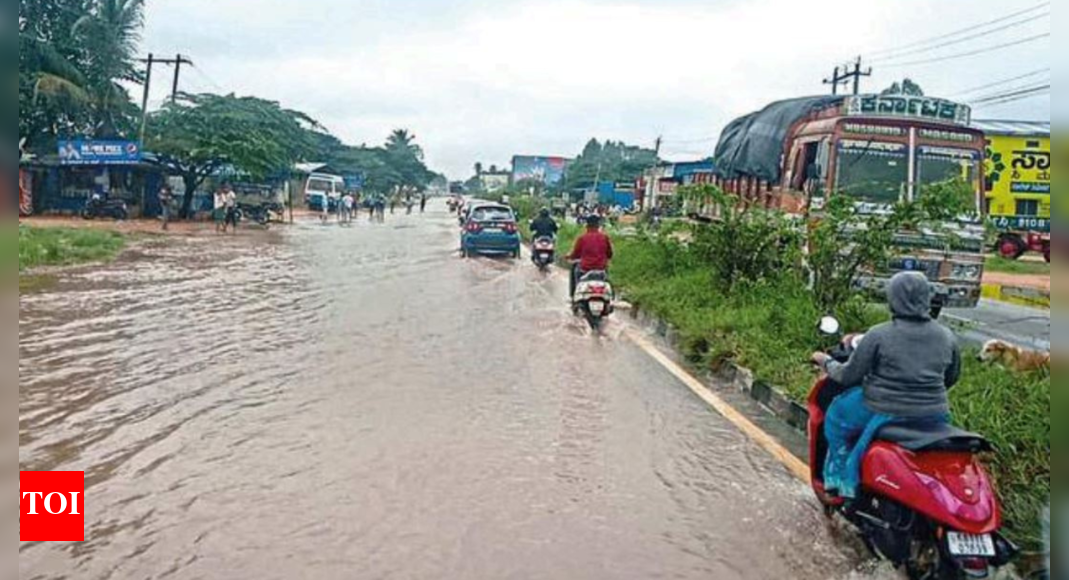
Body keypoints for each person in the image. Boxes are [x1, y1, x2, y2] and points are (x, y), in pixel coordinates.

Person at [810, 272, 961, 500]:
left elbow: (848, 376)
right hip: (936, 414)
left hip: (882, 409)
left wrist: (824, 360)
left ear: (893, 298)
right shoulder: (946, 336)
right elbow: (951, 377)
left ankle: (839, 482)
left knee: (836, 417)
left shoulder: (879, 334)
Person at [567, 215, 614, 298]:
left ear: (587, 226)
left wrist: (568, 256)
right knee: (607, 277)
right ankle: (611, 297)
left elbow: (575, 254)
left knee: (575, 270)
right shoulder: (604, 238)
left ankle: (574, 295)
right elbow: (610, 254)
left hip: (585, 268)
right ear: (598, 226)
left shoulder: (582, 238)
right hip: (601, 268)